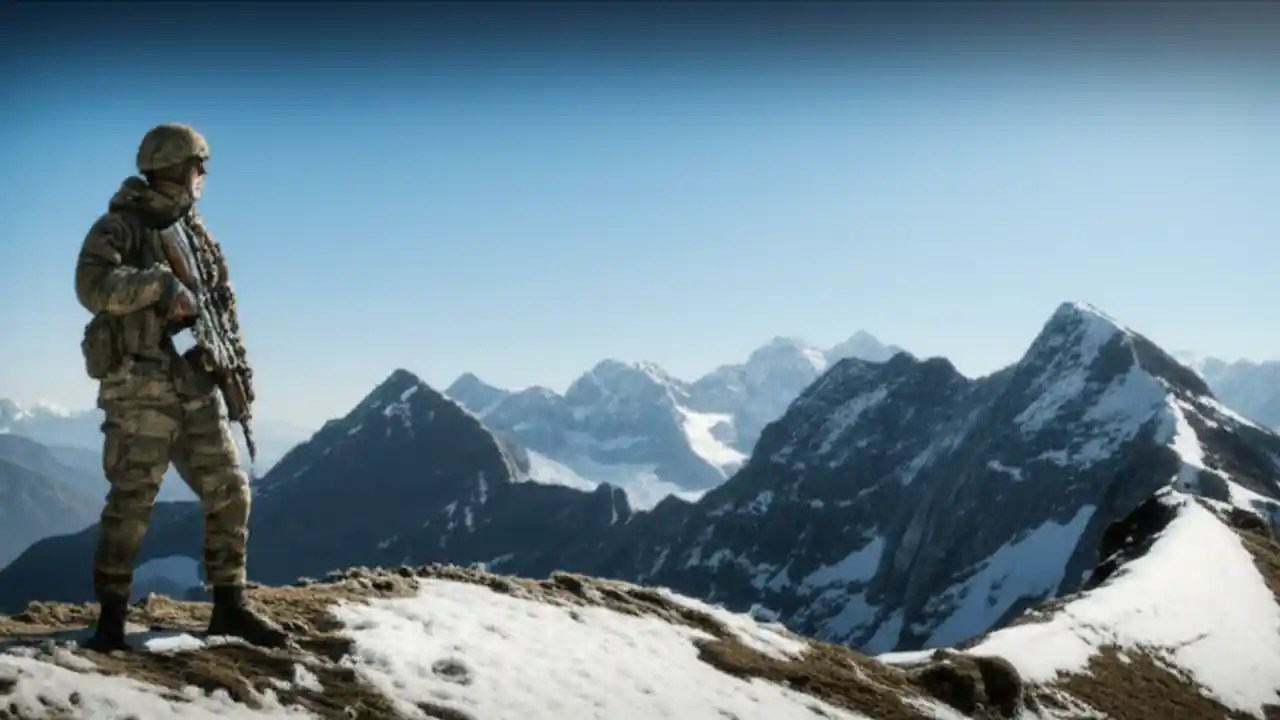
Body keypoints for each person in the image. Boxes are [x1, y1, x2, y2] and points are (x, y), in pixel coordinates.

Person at [74, 123, 288, 651]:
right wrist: (159, 286)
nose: (203, 177)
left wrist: (235, 363)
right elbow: (91, 285)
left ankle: (229, 607)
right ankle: (112, 619)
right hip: (139, 383)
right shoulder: (120, 225)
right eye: (199, 167)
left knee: (230, 489)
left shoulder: (196, 235)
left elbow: (219, 303)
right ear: (176, 167)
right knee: (133, 499)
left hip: (194, 381)